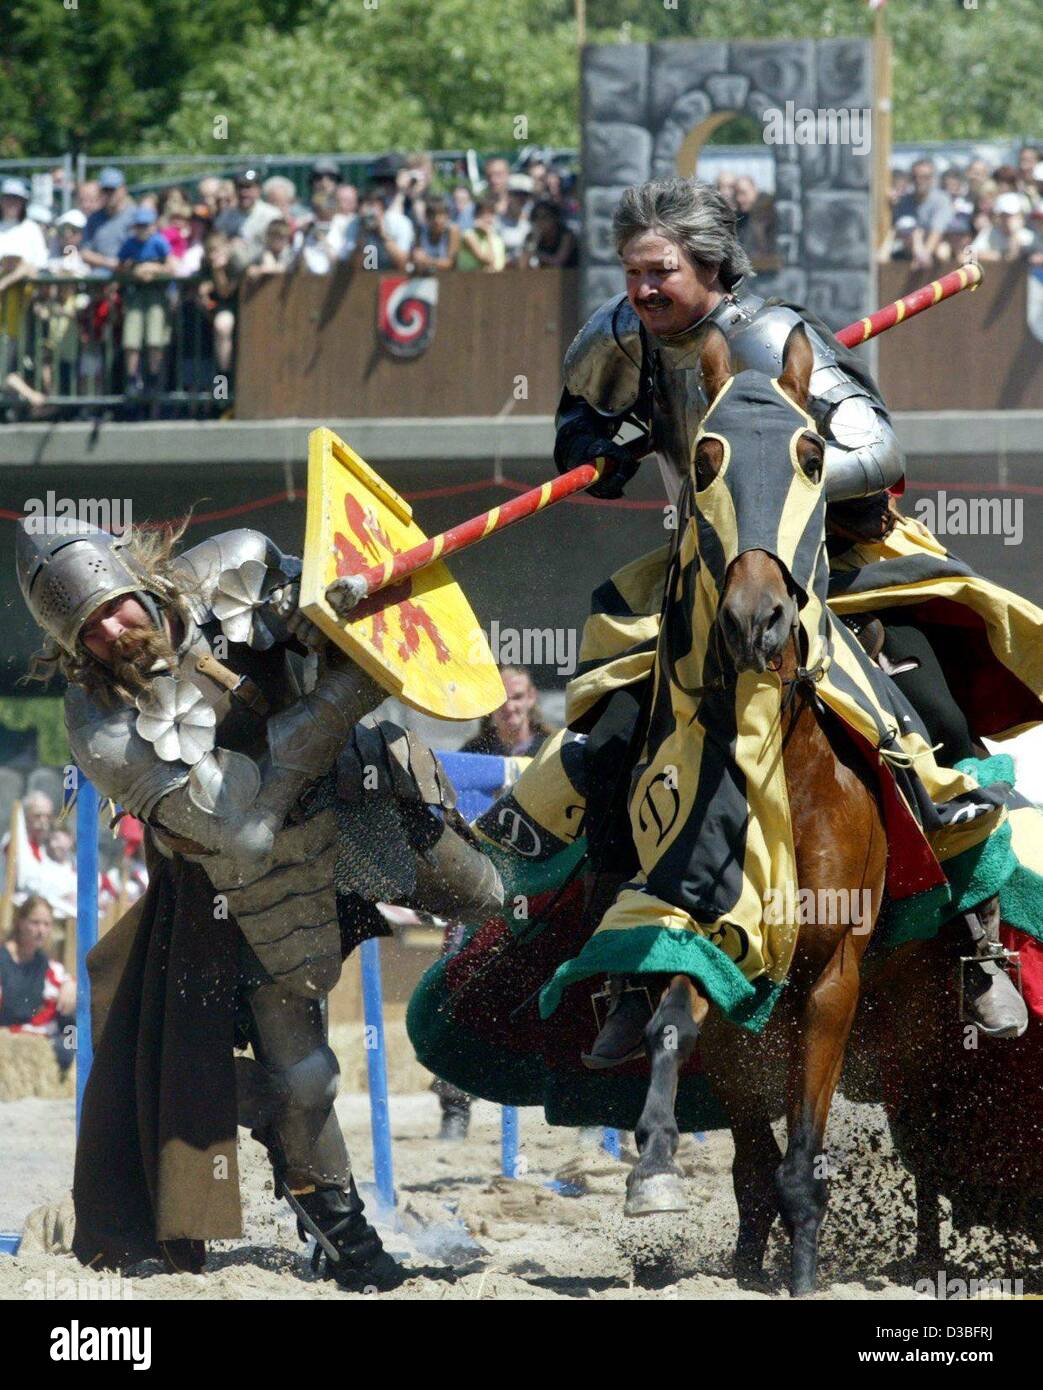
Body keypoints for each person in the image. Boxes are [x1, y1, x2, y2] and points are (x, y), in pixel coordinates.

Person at [527, 176, 1037, 1051]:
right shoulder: (619, 337)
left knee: (932, 712)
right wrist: (594, 452)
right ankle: (622, 972)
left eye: (661, 272)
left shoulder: (770, 336)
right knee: (609, 738)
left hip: (829, 560)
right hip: (705, 569)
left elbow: (877, 449)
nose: (643, 291)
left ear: (712, 266)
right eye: (632, 273)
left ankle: (975, 942)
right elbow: (579, 414)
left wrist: (772, 477)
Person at [15, 514, 502, 1287]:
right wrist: (346, 694)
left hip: (359, 790)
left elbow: (367, 623)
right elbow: (238, 831)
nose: (109, 628)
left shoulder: (237, 564)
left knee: (497, 898)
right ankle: (342, 1234)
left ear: (135, 578)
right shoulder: (99, 727)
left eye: (111, 604)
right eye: (88, 629)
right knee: (302, 1073)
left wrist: (351, 612)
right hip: (244, 884)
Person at [0, 895, 76, 1074]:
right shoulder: (3, 959)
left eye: (46, 924)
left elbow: (64, 988)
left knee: (74, 1034)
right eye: (35, 922)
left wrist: (70, 984)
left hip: (45, 1036)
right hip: (11, 1034)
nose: (41, 930)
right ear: (20, 922)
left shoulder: (48, 965)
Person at [116, 205, 177, 393]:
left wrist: (152, 268)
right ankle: (132, 380)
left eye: (146, 225)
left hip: (157, 295)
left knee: (154, 340)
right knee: (131, 340)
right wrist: (134, 270)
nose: (143, 229)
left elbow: (172, 266)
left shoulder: (159, 242)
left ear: (153, 226)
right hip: (136, 294)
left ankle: (153, 378)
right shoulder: (129, 244)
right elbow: (120, 266)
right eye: (139, 225)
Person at [461, 667, 553, 757]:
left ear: (531, 697)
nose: (509, 707)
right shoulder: (473, 753)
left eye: (517, 697)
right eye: (500, 698)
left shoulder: (553, 750)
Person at [892, 159, 953, 268]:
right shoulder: (904, 201)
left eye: (926, 177)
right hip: (907, 249)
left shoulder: (942, 200)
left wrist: (924, 255)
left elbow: (937, 232)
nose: (920, 180)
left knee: (942, 252)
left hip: (932, 251)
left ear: (932, 178)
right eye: (916, 177)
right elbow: (897, 229)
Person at [81, 167, 138, 272]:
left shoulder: (136, 216)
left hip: (132, 275)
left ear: (123, 189)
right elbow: (85, 252)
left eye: (112, 190)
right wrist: (109, 263)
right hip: (102, 275)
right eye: (105, 190)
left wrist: (124, 264)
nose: (109, 194)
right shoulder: (94, 218)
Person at [520, 198, 578, 269]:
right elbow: (522, 265)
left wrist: (535, 253)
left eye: (544, 217)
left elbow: (558, 263)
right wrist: (535, 239)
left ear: (554, 218)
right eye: (536, 217)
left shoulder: (566, 235)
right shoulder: (531, 237)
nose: (540, 221)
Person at [457, 196, 506, 271]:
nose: (488, 218)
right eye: (484, 213)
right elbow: (489, 260)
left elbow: (498, 266)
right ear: (477, 215)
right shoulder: (469, 235)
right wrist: (488, 235)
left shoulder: (498, 239)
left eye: (491, 213)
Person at [411, 196, 460, 272]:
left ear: (447, 216)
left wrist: (428, 261)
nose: (437, 220)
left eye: (441, 214)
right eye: (433, 215)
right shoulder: (420, 230)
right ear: (427, 217)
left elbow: (450, 264)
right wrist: (417, 258)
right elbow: (416, 259)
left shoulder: (453, 231)